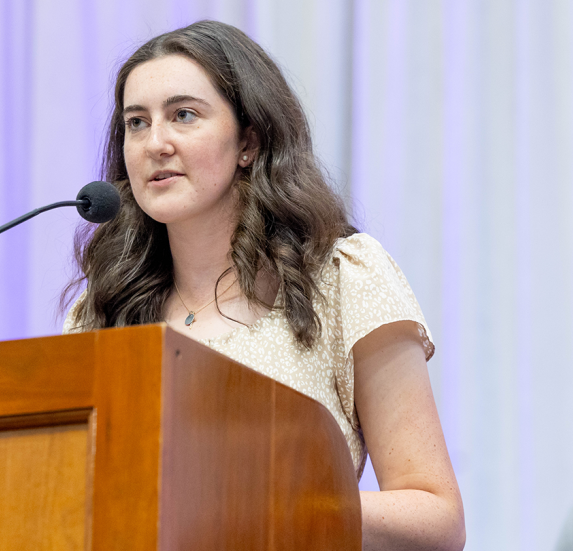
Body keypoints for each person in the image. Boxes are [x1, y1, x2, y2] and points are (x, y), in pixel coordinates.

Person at [62, 20, 465, 550]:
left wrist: (271, 503)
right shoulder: (101, 307)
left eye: (183, 115)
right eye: (137, 123)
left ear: (248, 141)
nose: (155, 142)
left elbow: (436, 518)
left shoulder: (342, 277)